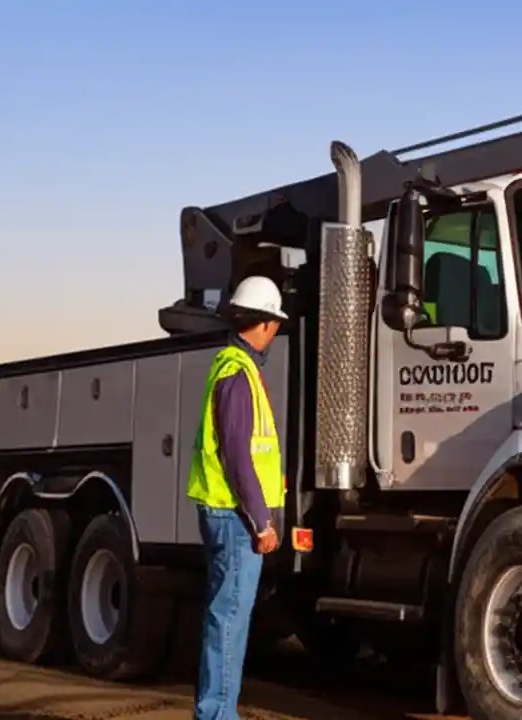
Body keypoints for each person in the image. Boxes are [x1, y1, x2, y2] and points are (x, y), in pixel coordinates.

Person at [187, 275, 288, 720]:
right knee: (228, 620)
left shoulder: (233, 367)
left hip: (228, 513)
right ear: (264, 323)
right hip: (235, 517)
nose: (276, 332)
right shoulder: (238, 373)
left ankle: (217, 712)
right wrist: (262, 521)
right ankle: (216, 715)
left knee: (225, 617)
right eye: (275, 323)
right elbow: (238, 455)